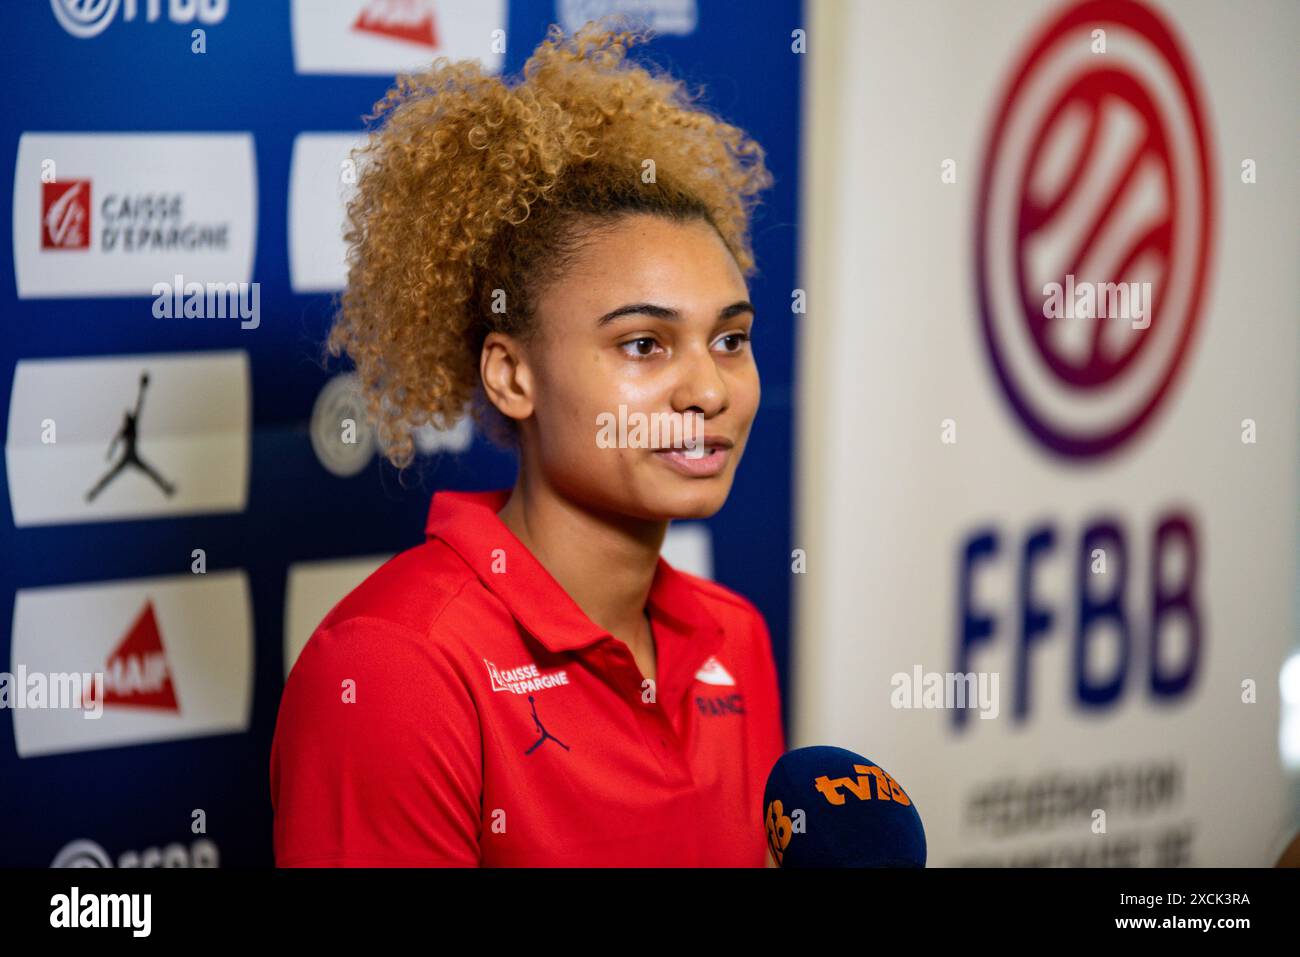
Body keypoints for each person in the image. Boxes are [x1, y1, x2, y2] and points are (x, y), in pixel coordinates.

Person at [270, 19, 784, 867]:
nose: (708, 391)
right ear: (512, 376)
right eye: (644, 344)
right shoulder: (395, 668)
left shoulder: (737, 636)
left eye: (730, 339)